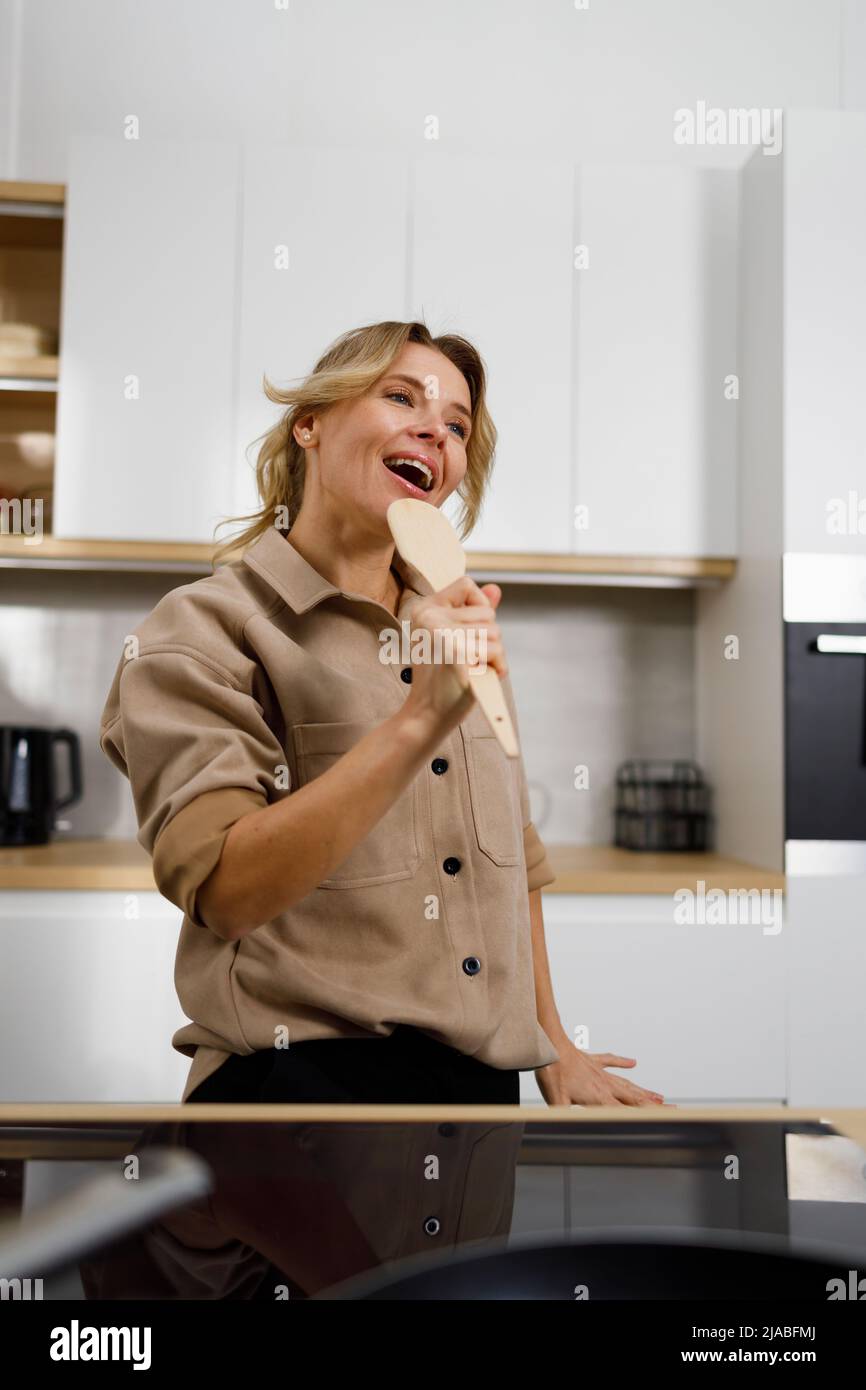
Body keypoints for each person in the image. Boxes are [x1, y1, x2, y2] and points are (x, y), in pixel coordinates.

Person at [99, 319, 666, 1109]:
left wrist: (553, 1044)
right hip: (295, 1094)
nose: (436, 428)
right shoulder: (201, 631)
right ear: (311, 425)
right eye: (401, 396)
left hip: (476, 1099)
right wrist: (413, 724)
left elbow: (514, 862)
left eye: (459, 425)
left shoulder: (455, 623)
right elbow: (225, 889)